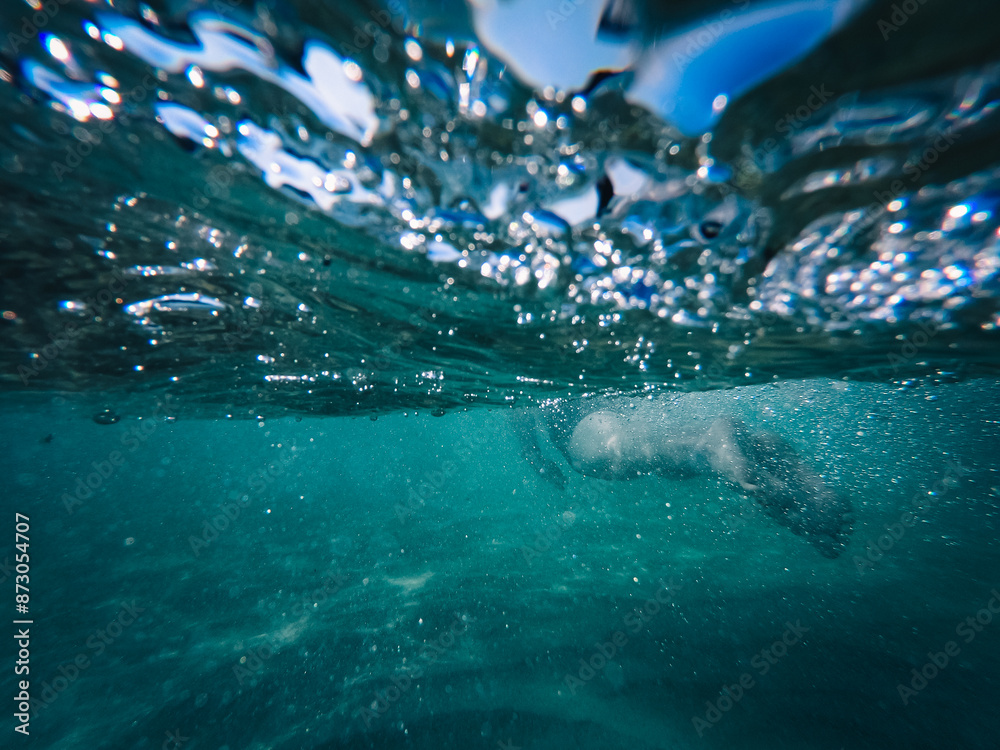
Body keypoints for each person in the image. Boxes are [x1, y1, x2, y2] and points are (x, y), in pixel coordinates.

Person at [514, 398, 853, 558]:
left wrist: (543, 464)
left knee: (615, 455)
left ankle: (711, 447)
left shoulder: (523, 350)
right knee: (657, 443)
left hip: (587, 426)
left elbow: (522, 422)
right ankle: (816, 496)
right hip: (624, 406)